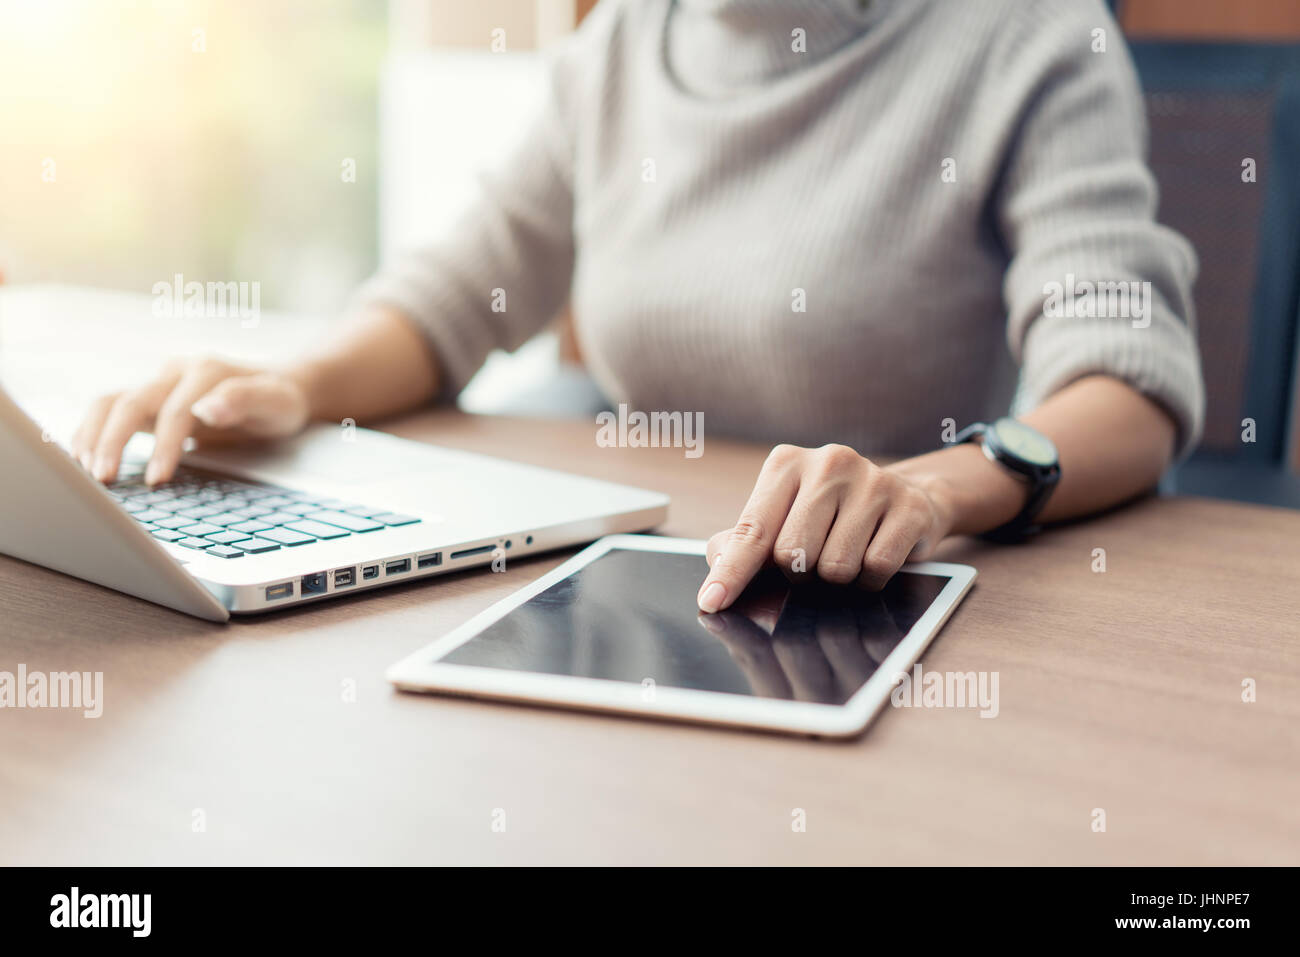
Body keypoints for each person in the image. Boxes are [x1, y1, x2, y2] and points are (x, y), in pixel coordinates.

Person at [72, 0, 1205, 616]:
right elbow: (458, 294)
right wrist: (299, 383)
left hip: (866, 605)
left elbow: (1128, 379)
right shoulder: (618, 40)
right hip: (658, 583)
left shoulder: (1032, 37)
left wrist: (927, 486)